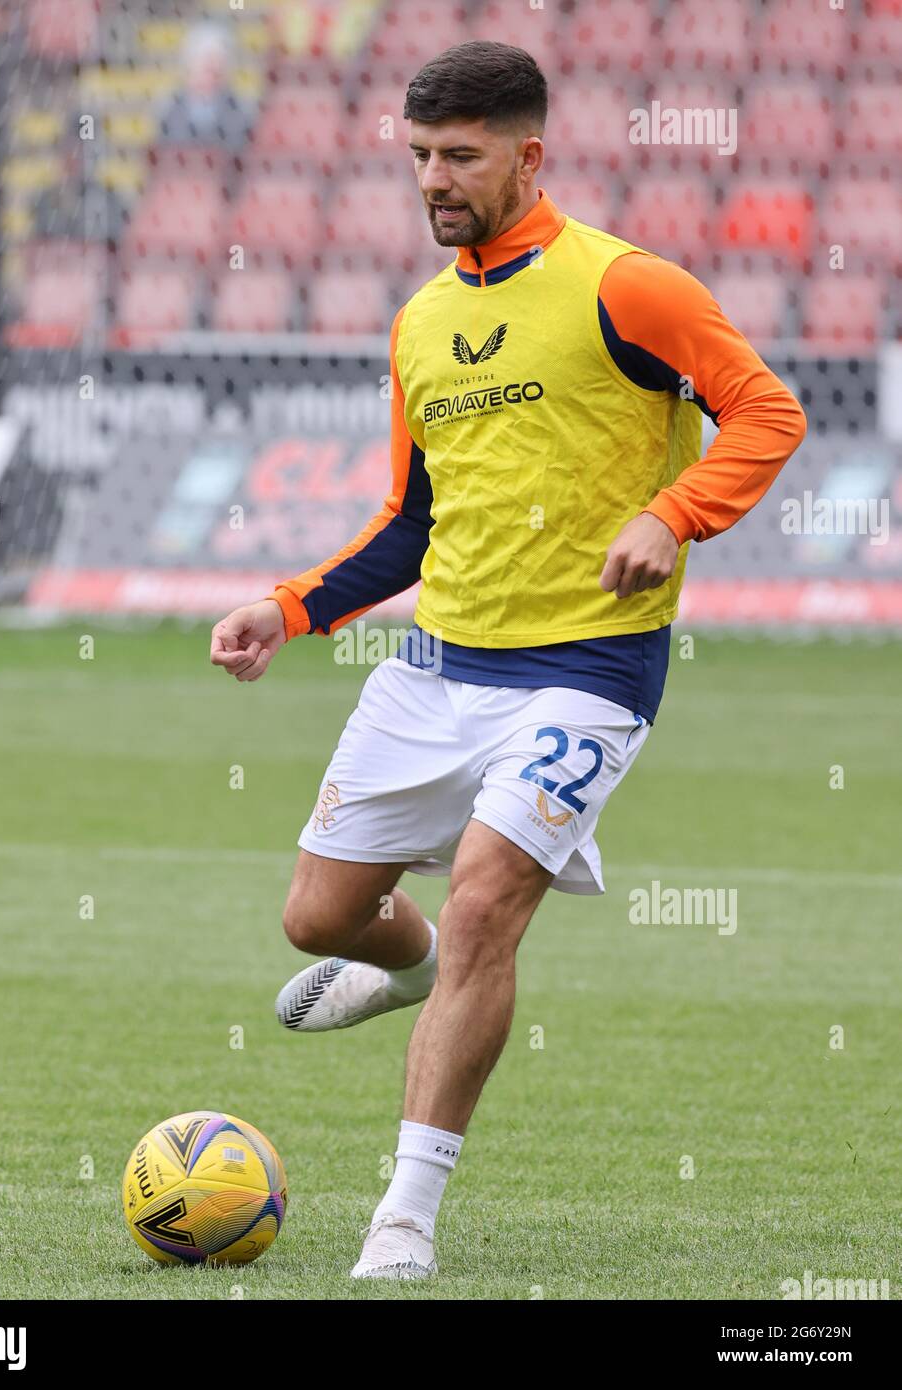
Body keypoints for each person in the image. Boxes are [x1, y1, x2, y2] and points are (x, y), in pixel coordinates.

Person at [209, 41, 807, 1280]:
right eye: (420, 155)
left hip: (587, 673)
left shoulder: (627, 288)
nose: (434, 178)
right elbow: (413, 523)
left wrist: (672, 513)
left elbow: (766, 410)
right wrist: (290, 607)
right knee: (317, 917)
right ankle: (411, 966)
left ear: (528, 156)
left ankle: (404, 1218)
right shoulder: (423, 323)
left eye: (461, 157)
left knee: (486, 900)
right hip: (436, 670)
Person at [158, 23, 254, 154]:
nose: (214, 67)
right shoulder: (167, 109)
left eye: (218, 61)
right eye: (206, 61)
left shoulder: (242, 111)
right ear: (189, 64)